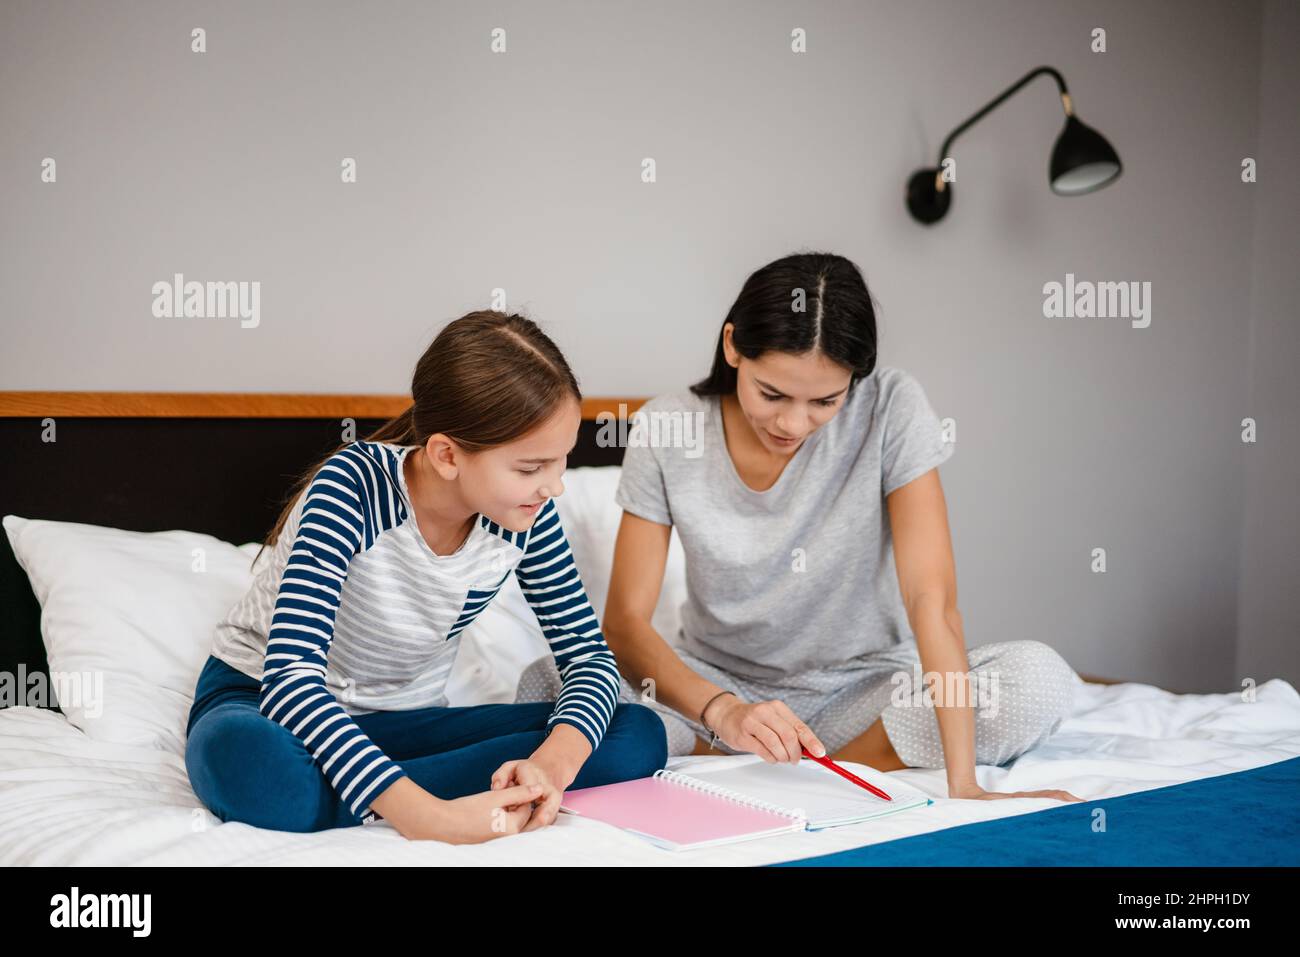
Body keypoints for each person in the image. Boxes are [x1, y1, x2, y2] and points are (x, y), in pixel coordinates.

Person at [517, 253, 1082, 803]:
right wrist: (724, 710)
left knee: (1039, 679)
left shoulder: (892, 407)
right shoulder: (668, 427)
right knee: (549, 683)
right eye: (772, 394)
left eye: (825, 401)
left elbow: (931, 600)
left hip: (864, 690)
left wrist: (966, 783)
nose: (792, 423)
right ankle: (744, 751)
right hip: (714, 686)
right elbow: (625, 622)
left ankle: (788, 765)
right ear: (733, 345)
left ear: (854, 380)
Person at [184, 310, 669, 842]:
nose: (553, 487)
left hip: (400, 728)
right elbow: (291, 684)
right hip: (268, 704)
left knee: (638, 732)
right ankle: (410, 798)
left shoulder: (528, 514)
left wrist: (550, 767)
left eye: (561, 462)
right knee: (252, 765)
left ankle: (366, 793)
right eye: (531, 468)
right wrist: (433, 820)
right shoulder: (351, 489)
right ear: (446, 455)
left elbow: (588, 657)